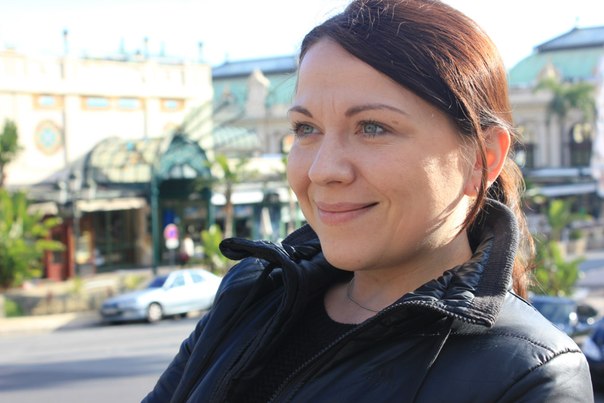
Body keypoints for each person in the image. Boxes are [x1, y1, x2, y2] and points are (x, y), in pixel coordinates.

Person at [144, 0, 593, 401]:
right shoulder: (251, 295)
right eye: (306, 129)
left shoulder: (526, 373)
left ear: (482, 157)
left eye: (373, 128)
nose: (322, 170)